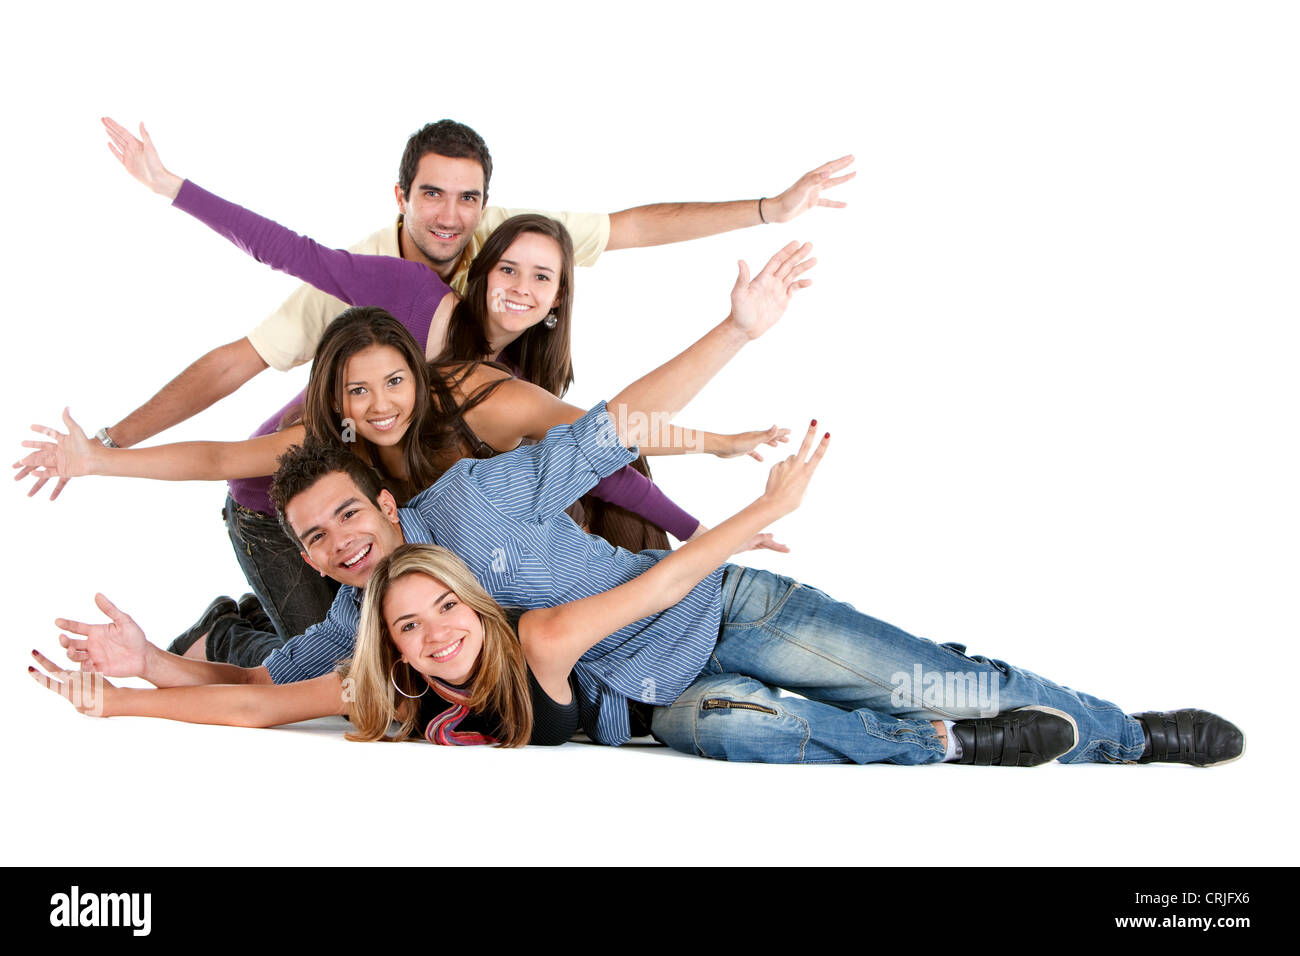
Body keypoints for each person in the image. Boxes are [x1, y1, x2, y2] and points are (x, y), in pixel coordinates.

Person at [33, 239, 1243, 767]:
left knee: (934, 671)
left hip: (723, 611)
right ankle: (945, 742)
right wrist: (142, 671)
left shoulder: (479, 489)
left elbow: (611, 420)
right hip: (660, 702)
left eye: (349, 520)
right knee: (740, 734)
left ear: (383, 499)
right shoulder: (364, 621)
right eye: (313, 543)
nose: (339, 547)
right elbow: (262, 697)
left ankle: (1130, 733)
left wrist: (736, 330)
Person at [20, 117, 854, 501]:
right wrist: (107, 445)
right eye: (431, 197)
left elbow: (601, 438)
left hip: (404, 472)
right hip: (298, 483)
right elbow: (249, 338)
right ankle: (238, 642)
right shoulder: (392, 286)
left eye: (542, 279)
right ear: (402, 197)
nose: (453, 219)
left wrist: (769, 213)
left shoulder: (506, 293)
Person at [19, 309, 788, 662]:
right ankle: (224, 629)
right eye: (358, 392)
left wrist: (719, 452)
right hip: (280, 524)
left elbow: (612, 431)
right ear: (338, 403)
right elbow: (220, 459)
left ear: (420, 379)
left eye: (394, 382)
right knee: (336, 654)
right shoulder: (331, 443)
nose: (379, 405)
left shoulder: (483, 406)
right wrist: (99, 458)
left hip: (384, 544)